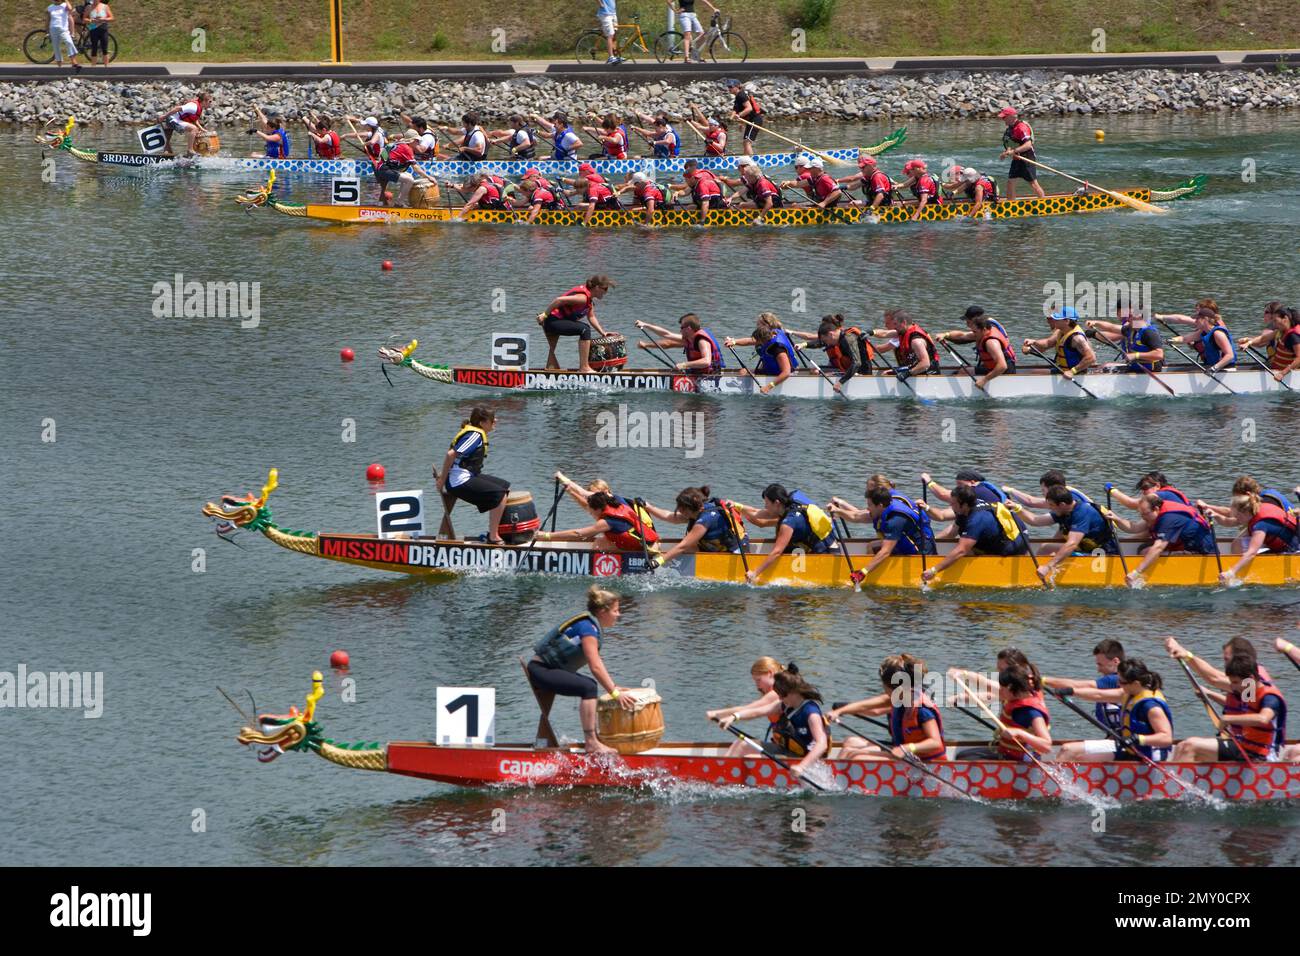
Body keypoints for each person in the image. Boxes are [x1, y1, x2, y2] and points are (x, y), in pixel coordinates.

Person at [527, 586, 636, 753]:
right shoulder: (588, 628)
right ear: (602, 611)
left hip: (544, 668)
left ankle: (542, 744)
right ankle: (591, 742)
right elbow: (595, 667)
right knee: (589, 687)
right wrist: (615, 693)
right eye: (615, 610)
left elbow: (598, 662)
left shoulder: (590, 625)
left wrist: (613, 686)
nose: (618, 615)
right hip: (541, 670)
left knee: (588, 685)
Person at [1170, 654, 1287, 763]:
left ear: (1250, 678)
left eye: (1235, 682)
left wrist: (1228, 719)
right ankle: (1173, 781)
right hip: (1244, 746)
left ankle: (1171, 784)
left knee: (1190, 746)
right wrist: (1209, 694)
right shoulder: (1250, 690)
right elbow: (1239, 709)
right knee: (1182, 746)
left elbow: (1263, 718)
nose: (1233, 687)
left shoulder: (1270, 697)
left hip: (1261, 754)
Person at [829, 654, 946, 761]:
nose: (883, 688)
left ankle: (837, 779)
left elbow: (936, 742)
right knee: (850, 742)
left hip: (925, 762)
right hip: (903, 753)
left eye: (884, 685)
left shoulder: (922, 711)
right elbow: (873, 709)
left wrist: (907, 748)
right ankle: (833, 778)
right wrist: (840, 711)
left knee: (856, 757)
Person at [1054, 659, 1174, 763]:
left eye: (1121, 681)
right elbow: (1099, 695)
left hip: (1148, 757)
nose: (1118, 683)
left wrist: (1138, 739)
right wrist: (1071, 691)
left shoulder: (1151, 707)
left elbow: (1166, 738)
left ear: (1136, 683)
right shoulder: (1129, 694)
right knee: (1074, 754)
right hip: (1129, 750)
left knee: (1068, 749)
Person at [717, 666, 830, 774]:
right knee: (741, 745)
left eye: (782, 696)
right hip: (787, 750)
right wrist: (734, 717)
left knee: (750, 758)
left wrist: (801, 766)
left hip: (804, 759)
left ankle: (727, 776)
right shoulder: (785, 704)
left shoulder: (811, 713)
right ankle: (720, 773)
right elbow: (758, 711)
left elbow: (822, 744)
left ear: (793, 692)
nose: (780, 699)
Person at [920, 485, 1028, 586]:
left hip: (1013, 546)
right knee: (965, 544)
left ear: (964, 504)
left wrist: (933, 570)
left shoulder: (976, 520)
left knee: (964, 549)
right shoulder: (965, 508)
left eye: (953, 503)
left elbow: (961, 550)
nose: (950, 506)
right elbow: (951, 532)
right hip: (1003, 536)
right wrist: (926, 508)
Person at [1106, 493, 1217, 586]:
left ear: (1156, 509)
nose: (1143, 517)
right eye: (1141, 514)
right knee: (1144, 550)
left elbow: (1158, 547)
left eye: (1145, 514)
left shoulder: (1168, 518)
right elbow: (1134, 528)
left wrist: (1136, 573)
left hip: (1204, 553)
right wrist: (1117, 519)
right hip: (1186, 546)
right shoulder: (1154, 514)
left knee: (1150, 551)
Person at [435, 407, 510, 544]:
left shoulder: (476, 433)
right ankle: (493, 537)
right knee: (500, 494)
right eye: (492, 419)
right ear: (482, 423)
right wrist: (442, 479)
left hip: (467, 475)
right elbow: (451, 454)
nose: (496, 420)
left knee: (504, 485)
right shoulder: (475, 435)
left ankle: (497, 531)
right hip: (458, 481)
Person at [738, 484, 838, 585]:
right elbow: (760, 514)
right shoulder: (791, 502)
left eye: (767, 503)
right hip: (831, 546)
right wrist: (738, 507)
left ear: (777, 503)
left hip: (827, 557)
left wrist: (754, 574)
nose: (765, 506)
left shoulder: (788, 522)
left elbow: (777, 552)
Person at [829, 485, 935, 577]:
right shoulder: (883, 507)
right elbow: (856, 516)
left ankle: (868, 574)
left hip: (921, 553)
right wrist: (837, 510)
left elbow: (885, 552)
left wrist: (862, 572)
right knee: (871, 546)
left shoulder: (895, 520)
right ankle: (873, 572)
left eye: (869, 505)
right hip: (904, 542)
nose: (867, 508)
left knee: (877, 549)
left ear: (879, 505)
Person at [1019, 484, 1120, 581]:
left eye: (1051, 505)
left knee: (1056, 549)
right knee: (1045, 548)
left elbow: (1072, 544)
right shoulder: (1063, 510)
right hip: (1085, 549)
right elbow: (1035, 520)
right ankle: (1035, 574)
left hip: (1102, 553)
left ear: (1062, 504)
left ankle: (1042, 572)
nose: (1050, 508)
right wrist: (1017, 509)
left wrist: (1048, 566)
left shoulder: (1083, 512)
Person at [954, 664, 1053, 760]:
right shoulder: (1016, 697)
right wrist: (962, 676)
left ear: (1010, 688)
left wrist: (1020, 733)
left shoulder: (1032, 712)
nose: (999, 690)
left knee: (966, 759)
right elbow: (986, 687)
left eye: (1002, 688)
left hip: (1022, 761)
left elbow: (1047, 746)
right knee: (963, 755)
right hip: (1006, 753)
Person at [535, 491, 662, 557]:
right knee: (601, 540)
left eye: (590, 511)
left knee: (597, 545)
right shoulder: (617, 501)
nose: (589, 513)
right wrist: (571, 490)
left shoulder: (606, 522)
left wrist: (546, 536)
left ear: (597, 509)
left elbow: (577, 534)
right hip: (653, 542)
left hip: (648, 551)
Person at [1212, 491, 1299, 585]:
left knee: (1250, 554)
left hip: (1293, 550)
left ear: (1244, 513)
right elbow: (1228, 522)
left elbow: (1251, 553)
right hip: (1285, 544)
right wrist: (1215, 515)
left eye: (1237, 516)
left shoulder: (1260, 525)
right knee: (1239, 544)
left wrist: (1231, 572)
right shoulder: (1256, 510)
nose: (1236, 519)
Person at [1043, 639, 1126, 736]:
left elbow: (1079, 685)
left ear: (1116, 661)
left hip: (1126, 741)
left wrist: (1043, 680)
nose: (1098, 670)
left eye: (1100, 665)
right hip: (1115, 737)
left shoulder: (1114, 680)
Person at [649, 485, 750, 562]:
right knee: (690, 545)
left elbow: (682, 546)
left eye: (682, 507)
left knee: (687, 544)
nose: (679, 509)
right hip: (717, 547)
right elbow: (669, 516)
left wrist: (659, 561)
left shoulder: (705, 519)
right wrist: (648, 506)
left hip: (737, 551)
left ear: (690, 507)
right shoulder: (697, 511)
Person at [705, 657, 783, 756]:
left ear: (770, 673)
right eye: (755, 681)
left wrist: (717, 714)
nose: (757, 686)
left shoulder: (776, 693)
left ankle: (722, 770)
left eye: (758, 680)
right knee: (739, 744)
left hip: (787, 749)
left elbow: (750, 709)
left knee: (742, 746)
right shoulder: (776, 692)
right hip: (780, 743)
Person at [537, 276, 615, 372]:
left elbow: (591, 317)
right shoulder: (582, 298)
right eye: (605, 289)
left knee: (584, 329)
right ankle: (584, 367)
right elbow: (559, 300)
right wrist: (544, 315)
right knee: (585, 329)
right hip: (553, 321)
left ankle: (552, 369)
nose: (606, 292)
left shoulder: (589, 301)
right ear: (597, 287)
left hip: (557, 321)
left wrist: (603, 333)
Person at [790, 314, 874, 391]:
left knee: (816, 371)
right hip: (847, 370)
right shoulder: (837, 338)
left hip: (862, 373)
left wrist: (840, 382)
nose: (827, 344)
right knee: (814, 370)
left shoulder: (848, 339)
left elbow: (857, 363)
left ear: (830, 334)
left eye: (827, 340)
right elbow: (820, 342)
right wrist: (803, 344)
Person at [724, 319, 797, 394]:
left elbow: (786, 372)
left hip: (779, 374)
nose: (755, 342)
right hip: (770, 370)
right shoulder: (772, 333)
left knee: (744, 372)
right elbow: (750, 341)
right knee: (743, 371)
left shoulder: (778, 349)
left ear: (763, 340)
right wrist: (734, 342)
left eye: (757, 341)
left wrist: (768, 387)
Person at [635, 313, 724, 373]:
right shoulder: (689, 338)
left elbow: (706, 361)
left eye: (681, 328)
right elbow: (667, 335)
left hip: (711, 374)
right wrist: (645, 325)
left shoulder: (701, 340)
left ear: (688, 328)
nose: (680, 330)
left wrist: (684, 365)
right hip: (698, 372)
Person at [1022, 306, 1096, 378]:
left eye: (1057, 319)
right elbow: (1048, 343)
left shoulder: (1077, 338)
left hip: (1073, 374)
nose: (1054, 320)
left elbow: (1091, 358)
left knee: (1033, 373)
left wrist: (1072, 371)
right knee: (1033, 372)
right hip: (1061, 369)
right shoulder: (1061, 332)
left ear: (1067, 321)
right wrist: (1033, 343)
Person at [1086, 309, 1165, 372]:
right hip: (1136, 367)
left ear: (1139, 316)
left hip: (1150, 370)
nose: (1127, 318)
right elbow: (1112, 327)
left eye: (1130, 315)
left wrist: (1135, 355)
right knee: (1104, 366)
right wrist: (1095, 323)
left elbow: (1159, 354)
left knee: (1104, 368)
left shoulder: (1149, 332)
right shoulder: (1131, 329)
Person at [1237, 301, 1300, 380]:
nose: (1274, 324)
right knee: (1249, 369)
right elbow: (1263, 338)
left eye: (1275, 321)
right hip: (1275, 367)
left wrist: (1282, 373)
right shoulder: (1279, 331)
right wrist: (1249, 342)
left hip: (1283, 372)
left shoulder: (1294, 336)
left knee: (1250, 371)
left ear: (1285, 319)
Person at [870, 309, 939, 379]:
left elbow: (925, 364)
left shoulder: (916, 341)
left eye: (895, 324)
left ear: (903, 323)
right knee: (888, 372)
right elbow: (885, 333)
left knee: (886, 374)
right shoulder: (903, 331)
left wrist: (908, 373)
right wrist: (871, 332)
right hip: (914, 368)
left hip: (927, 373)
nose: (894, 327)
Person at [1167, 307, 1238, 372]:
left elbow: (1230, 355)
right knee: (1181, 370)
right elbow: (1185, 339)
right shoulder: (1203, 332)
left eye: (1197, 319)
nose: (1195, 321)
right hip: (1214, 367)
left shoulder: (1218, 333)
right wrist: (1172, 340)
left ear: (1205, 319)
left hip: (1226, 369)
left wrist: (1214, 368)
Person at [997, 106, 1045, 199]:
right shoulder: (1010, 129)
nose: (1003, 120)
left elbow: (1028, 144)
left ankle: (1043, 202)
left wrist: (1014, 151)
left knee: (1033, 183)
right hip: (1016, 159)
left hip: (1027, 158)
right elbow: (1011, 144)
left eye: (1004, 117)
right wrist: (1006, 153)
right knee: (1011, 182)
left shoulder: (1021, 127)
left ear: (1011, 116)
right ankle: (1010, 205)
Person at [157, 91, 212, 156]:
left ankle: (167, 153)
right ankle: (190, 150)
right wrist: (164, 116)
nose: (211, 103)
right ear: (204, 101)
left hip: (174, 119)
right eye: (210, 101)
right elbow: (177, 108)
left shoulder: (198, 107)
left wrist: (201, 128)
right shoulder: (194, 107)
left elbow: (193, 119)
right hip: (172, 119)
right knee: (194, 129)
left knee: (168, 138)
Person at [725, 79, 764, 155]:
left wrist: (739, 115)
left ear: (737, 87)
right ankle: (745, 160)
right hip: (750, 121)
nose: (729, 89)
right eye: (728, 87)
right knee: (745, 142)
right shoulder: (738, 97)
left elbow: (749, 108)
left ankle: (751, 163)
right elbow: (736, 110)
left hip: (755, 120)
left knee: (747, 142)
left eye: (731, 87)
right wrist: (735, 120)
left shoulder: (741, 95)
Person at [46, 1, 82, 71]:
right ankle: (59, 65)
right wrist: (47, 31)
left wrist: (65, 0)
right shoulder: (50, 7)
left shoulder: (64, 5)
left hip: (63, 29)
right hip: (53, 29)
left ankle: (73, 61)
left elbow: (70, 8)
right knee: (56, 47)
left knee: (69, 42)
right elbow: (48, 20)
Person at [84, 0, 112, 66]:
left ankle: (106, 67)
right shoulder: (89, 7)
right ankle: (93, 68)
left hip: (103, 28)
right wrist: (90, 20)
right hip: (93, 28)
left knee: (104, 49)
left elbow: (112, 18)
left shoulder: (105, 6)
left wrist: (104, 19)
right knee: (94, 48)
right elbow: (84, 19)